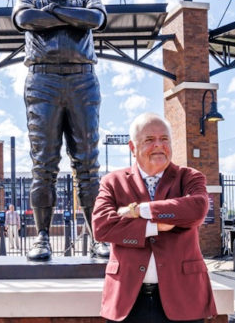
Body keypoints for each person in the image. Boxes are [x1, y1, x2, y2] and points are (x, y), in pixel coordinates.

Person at [12, 0, 109, 261]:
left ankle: (99, 238)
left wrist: (53, 13)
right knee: (44, 164)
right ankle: (41, 238)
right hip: (43, 80)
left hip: (82, 79)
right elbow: (26, 19)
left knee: (88, 164)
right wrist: (72, 18)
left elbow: (94, 20)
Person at [93, 113, 216, 323]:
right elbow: (102, 226)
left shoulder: (190, 177)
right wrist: (155, 227)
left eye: (164, 139)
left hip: (184, 298)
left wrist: (140, 210)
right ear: (132, 147)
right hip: (127, 301)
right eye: (149, 140)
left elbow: (197, 209)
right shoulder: (112, 182)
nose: (159, 145)